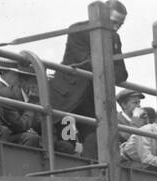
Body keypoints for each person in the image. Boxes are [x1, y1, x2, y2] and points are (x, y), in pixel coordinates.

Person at [50, 0, 127, 160]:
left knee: (95, 140)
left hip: (91, 103)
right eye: (113, 22)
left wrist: (103, 66)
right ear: (102, 15)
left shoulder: (114, 39)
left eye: (120, 24)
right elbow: (87, 64)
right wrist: (106, 66)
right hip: (69, 104)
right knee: (67, 141)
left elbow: (122, 73)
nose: (115, 28)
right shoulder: (78, 30)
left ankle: (94, 176)